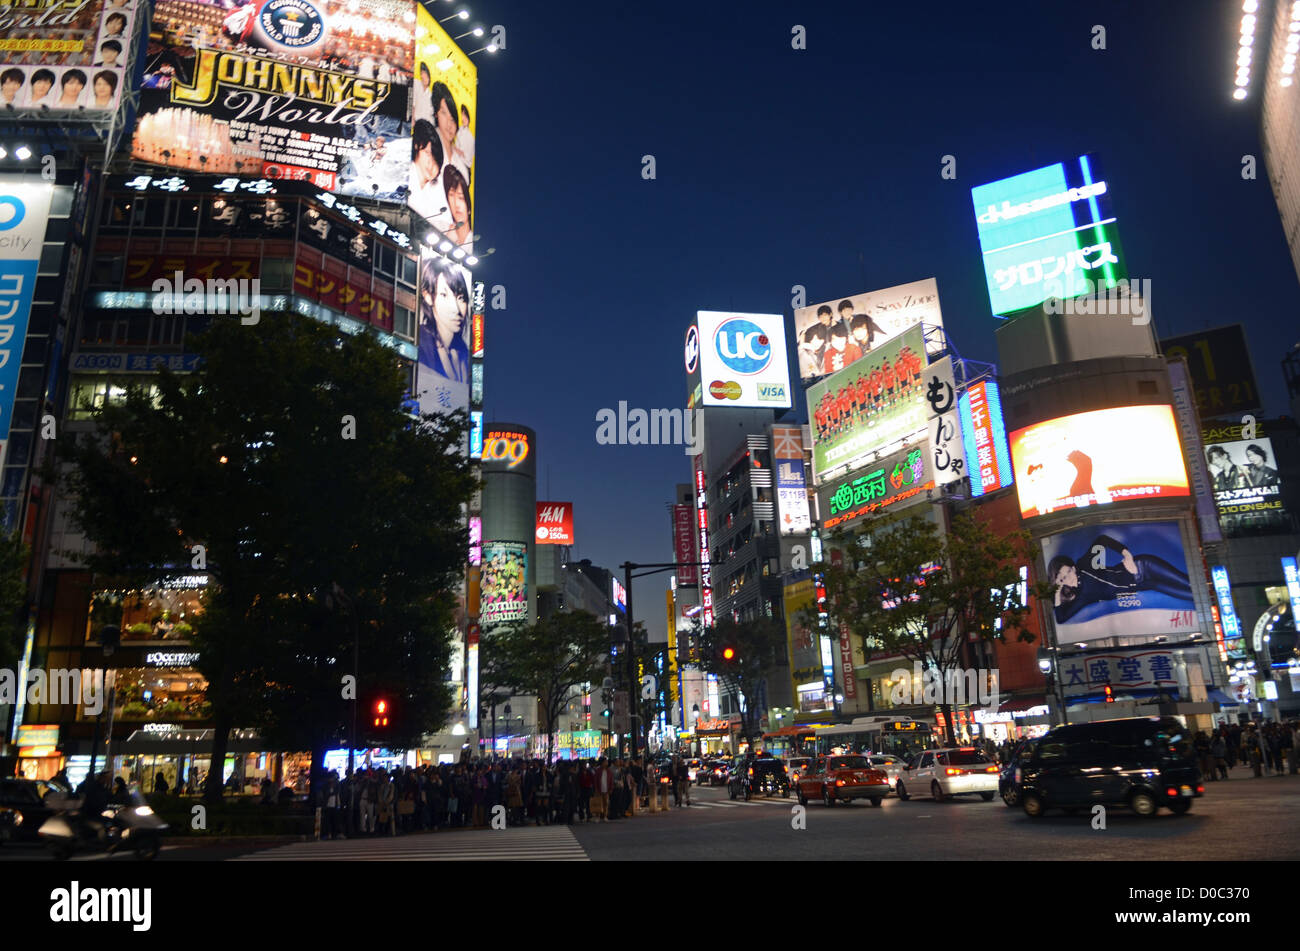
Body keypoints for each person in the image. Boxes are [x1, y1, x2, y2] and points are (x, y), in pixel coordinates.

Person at [1048, 533, 1192, 625]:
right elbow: (1061, 618)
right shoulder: (1081, 598)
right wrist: (1056, 592)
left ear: (1073, 568)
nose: (1068, 579)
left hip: (1143, 566)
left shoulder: (1084, 564)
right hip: (1145, 584)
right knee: (1193, 595)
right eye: (1062, 579)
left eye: (1067, 572)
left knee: (1190, 584)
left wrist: (1127, 555)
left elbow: (1102, 539)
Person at [418, 255, 470, 382]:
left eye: (460, 298)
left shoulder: (462, 352)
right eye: (444, 295)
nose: (455, 309)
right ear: (428, 297)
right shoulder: (420, 342)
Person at [408, 119, 449, 226]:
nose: (431, 163)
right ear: (416, 146)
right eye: (427, 153)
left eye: (435, 159)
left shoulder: (436, 190)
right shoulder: (405, 174)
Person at [441, 164, 473, 247]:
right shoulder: (443, 231)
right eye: (451, 196)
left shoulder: (474, 243)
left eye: (461, 197)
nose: (456, 204)